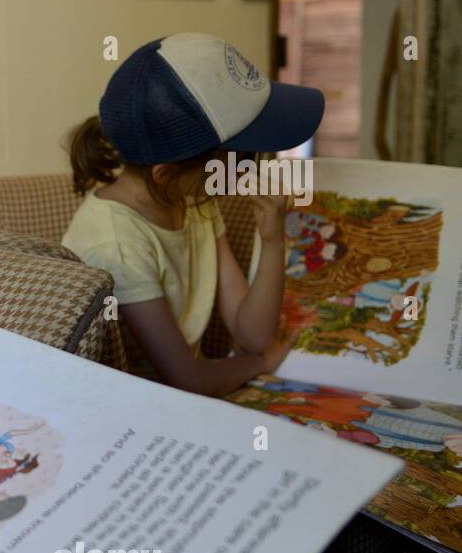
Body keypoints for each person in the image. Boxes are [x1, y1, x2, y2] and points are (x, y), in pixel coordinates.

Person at [61, 33, 326, 396]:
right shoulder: (115, 245)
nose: (251, 170)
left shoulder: (193, 200)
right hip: (144, 411)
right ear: (167, 174)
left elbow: (250, 333)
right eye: (243, 157)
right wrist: (260, 364)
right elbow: (186, 378)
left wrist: (273, 238)